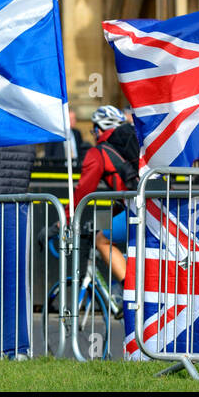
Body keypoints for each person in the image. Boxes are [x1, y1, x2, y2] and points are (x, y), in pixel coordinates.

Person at [69, 105, 140, 285]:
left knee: (102, 240)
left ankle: (130, 292)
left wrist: (63, 219)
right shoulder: (134, 142)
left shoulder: (99, 152)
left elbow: (83, 191)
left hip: (138, 211)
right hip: (160, 205)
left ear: (98, 129)